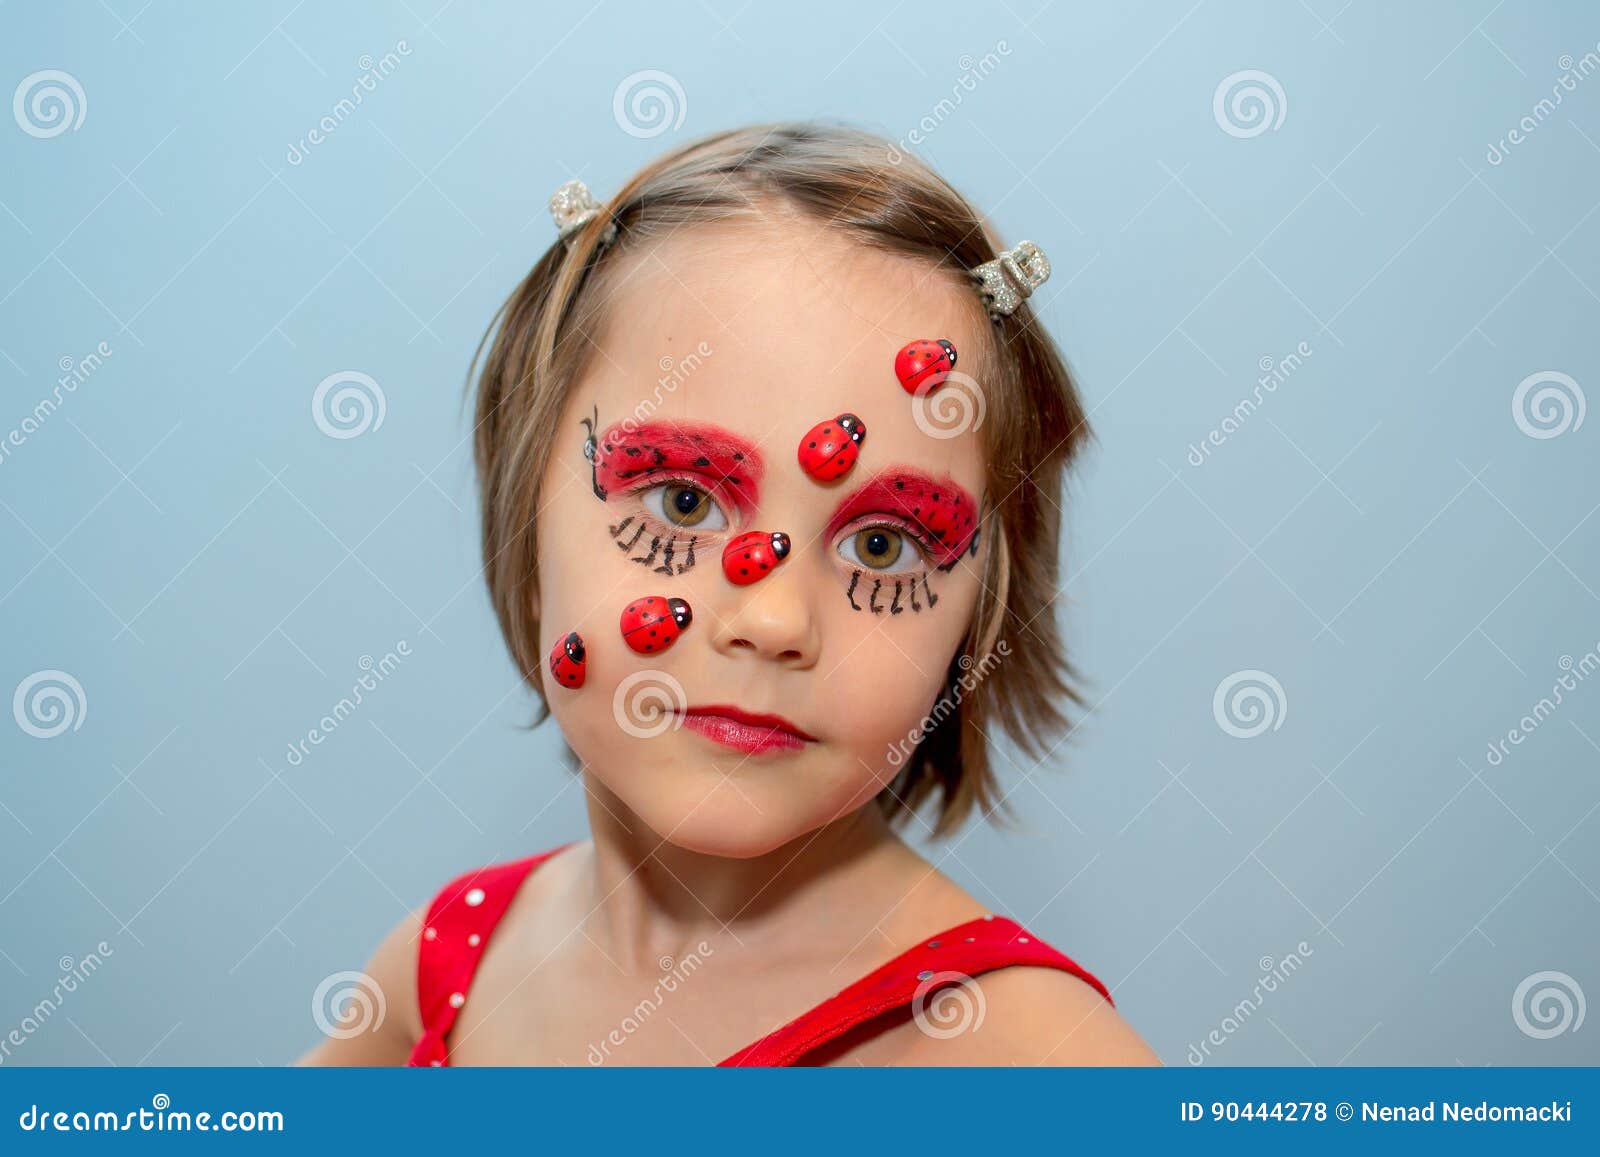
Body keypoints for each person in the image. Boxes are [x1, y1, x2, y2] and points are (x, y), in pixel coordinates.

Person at [300, 121, 1158, 1067]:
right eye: (682, 498)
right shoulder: (438, 970)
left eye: (883, 543)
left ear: (982, 609)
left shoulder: (1031, 1064)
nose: (775, 619)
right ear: (523, 510)